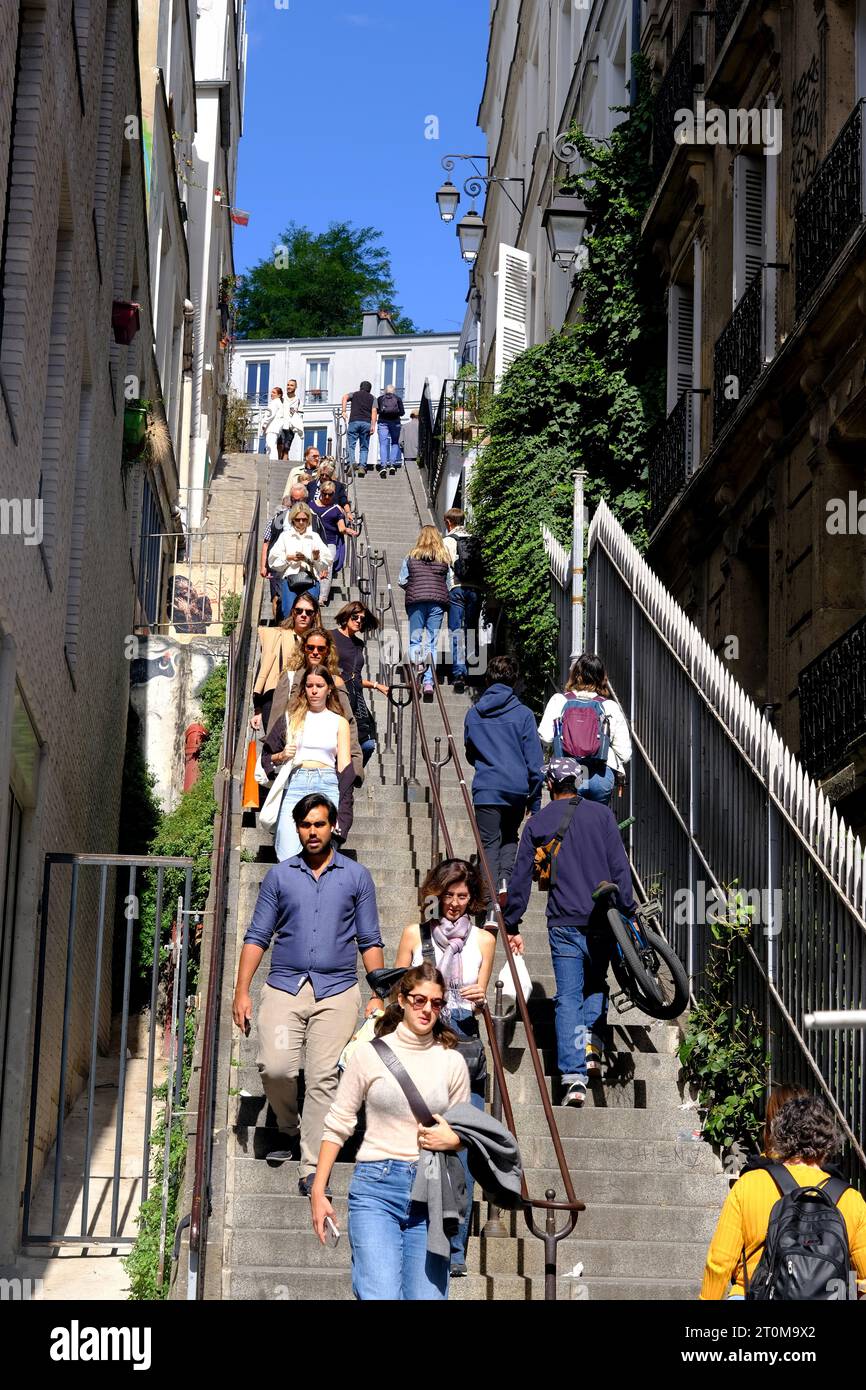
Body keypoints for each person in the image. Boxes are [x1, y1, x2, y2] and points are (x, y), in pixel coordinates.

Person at [234, 793, 385, 1192]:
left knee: (322, 1078)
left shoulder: (357, 877)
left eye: (319, 824)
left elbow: (369, 939)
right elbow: (257, 935)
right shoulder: (280, 877)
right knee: (276, 1065)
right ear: (297, 829)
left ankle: (312, 1167)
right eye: (305, 825)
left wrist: (379, 992)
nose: (312, 832)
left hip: (336, 993)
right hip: (285, 987)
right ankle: (287, 1126)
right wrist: (241, 990)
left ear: (333, 826)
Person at [310, 963, 471, 1300]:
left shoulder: (451, 1061)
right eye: (419, 1000)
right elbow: (339, 1122)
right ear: (401, 998)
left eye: (437, 1003)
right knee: (379, 1294)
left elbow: (465, 1129)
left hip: (430, 1193)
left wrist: (452, 1139)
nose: (427, 1009)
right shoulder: (369, 1054)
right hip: (376, 1188)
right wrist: (319, 1190)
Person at [504, 755, 636, 1108]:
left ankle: (574, 1079)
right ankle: (591, 1046)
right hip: (602, 918)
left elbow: (519, 877)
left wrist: (512, 919)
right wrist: (629, 908)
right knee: (596, 982)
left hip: (563, 921)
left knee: (568, 996)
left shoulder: (538, 822)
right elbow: (619, 867)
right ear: (578, 782)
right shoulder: (602, 815)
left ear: (549, 784)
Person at [394, 859, 494, 1276]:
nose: (454, 905)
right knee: (411, 1144)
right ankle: (412, 1232)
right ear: (435, 895)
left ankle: (455, 1246)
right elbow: (392, 992)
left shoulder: (485, 941)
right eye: (448, 896)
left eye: (462, 897)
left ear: (473, 900)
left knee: (462, 1148)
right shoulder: (415, 935)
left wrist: (484, 997)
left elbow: (488, 998)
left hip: (464, 1050)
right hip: (419, 1050)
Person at [700, 1094, 866, 1299]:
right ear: (828, 1143)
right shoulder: (851, 1199)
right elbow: (864, 1278)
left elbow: (719, 1262)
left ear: (779, 1137)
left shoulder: (749, 1184)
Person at [464, 655, 543, 903]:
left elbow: (470, 752)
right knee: (509, 836)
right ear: (515, 681)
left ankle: (487, 897)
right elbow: (535, 761)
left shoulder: (474, 713)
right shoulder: (524, 714)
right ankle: (504, 884)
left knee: (488, 842)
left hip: (487, 787)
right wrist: (536, 797)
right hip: (516, 789)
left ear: (488, 679)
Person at [262, 665, 354, 858]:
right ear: (303, 688)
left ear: (329, 688)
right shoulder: (291, 718)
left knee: (320, 852)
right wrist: (281, 755)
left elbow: (345, 769)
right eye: (309, 685)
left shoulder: (339, 722)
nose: (314, 690)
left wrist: (343, 812)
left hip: (327, 783)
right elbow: (267, 755)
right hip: (296, 781)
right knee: (286, 849)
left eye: (319, 685)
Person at [266, 627, 365, 782]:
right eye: (310, 647)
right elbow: (276, 722)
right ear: (303, 649)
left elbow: (349, 724)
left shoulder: (336, 682)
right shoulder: (290, 678)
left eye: (321, 648)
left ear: (328, 651)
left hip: (327, 765)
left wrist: (354, 769)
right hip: (292, 764)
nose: (315, 652)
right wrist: (273, 758)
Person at [538, 653, 632, 806]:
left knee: (568, 823)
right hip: (600, 777)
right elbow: (625, 754)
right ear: (602, 677)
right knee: (596, 824)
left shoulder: (559, 701)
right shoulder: (609, 707)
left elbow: (546, 737)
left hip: (567, 777)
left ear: (575, 674)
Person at [398, 526, 453, 698]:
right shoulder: (444, 557)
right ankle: (429, 682)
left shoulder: (411, 556)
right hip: (437, 602)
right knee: (432, 643)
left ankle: (416, 677)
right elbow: (449, 584)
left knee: (415, 640)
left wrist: (413, 588)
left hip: (416, 601)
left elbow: (401, 580)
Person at [331, 602, 388, 766]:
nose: (358, 621)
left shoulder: (358, 644)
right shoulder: (331, 636)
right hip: (338, 696)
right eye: (355, 617)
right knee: (339, 742)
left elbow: (355, 677)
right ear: (346, 616)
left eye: (362, 619)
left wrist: (377, 686)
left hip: (357, 697)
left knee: (368, 744)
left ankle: (350, 776)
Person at [260, 488, 324, 622]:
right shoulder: (281, 526)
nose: (301, 522)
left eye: (304, 520)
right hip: (287, 575)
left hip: (309, 576)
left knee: (310, 610)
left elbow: (326, 555)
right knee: (286, 608)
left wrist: (318, 560)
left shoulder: (315, 529)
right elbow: (270, 549)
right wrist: (285, 559)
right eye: (298, 519)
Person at [442, 507, 483, 693]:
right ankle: (474, 670)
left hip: (456, 588)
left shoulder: (448, 541)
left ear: (449, 522)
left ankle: (459, 673)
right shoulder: (475, 539)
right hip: (475, 588)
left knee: (456, 631)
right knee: (471, 630)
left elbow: (444, 566)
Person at [308, 481, 357, 605]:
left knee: (327, 568)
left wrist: (348, 530)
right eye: (325, 494)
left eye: (330, 494)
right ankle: (310, 594)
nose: (327, 497)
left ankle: (322, 597)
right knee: (311, 566)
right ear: (320, 492)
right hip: (312, 542)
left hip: (329, 542)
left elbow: (341, 527)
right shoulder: (311, 505)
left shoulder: (336, 509)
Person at [342, 379, 378, 477]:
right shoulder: (373, 398)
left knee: (351, 444)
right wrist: (373, 425)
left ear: (360, 387)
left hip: (354, 421)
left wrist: (344, 411)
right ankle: (362, 467)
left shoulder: (354, 394)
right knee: (364, 447)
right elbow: (374, 411)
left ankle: (351, 462)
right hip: (366, 423)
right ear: (369, 389)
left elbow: (345, 397)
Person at [375, 383, 405, 476]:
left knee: (383, 444)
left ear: (385, 391)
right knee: (395, 443)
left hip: (382, 422)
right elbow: (402, 412)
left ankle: (383, 466)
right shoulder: (398, 399)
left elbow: (377, 411)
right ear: (394, 391)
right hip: (395, 423)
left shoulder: (380, 399)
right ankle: (392, 464)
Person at [280, 379, 304, 463]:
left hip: (291, 425)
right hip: (281, 424)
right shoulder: (281, 399)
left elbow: (301, 414)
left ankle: (284, 460)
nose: (289, 387)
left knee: (287, 444)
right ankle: (282, 459)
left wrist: (295, 414)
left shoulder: (298, 401)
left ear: (295, 387)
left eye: (291, 385)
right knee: (281, 443)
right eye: (288, 385)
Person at [260, 386, 284, 459]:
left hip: (272, 427)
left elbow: (270, 414)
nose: (271, 394)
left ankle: (272, 461)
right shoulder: (279, 403)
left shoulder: (274, 402)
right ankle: (271, 460)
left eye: (274, 392)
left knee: (270, 445)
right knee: (270, 445)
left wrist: (264, 424)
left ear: (279, 395)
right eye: (271, 392)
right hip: (275, 428)